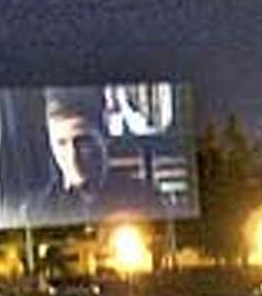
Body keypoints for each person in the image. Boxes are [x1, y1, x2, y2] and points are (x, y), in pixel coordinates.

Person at [22, 88, 166, 224]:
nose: (73, 157)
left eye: (83, 143)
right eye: (61, 144)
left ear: (104, 138)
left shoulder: (143, 200)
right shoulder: (36, 212)